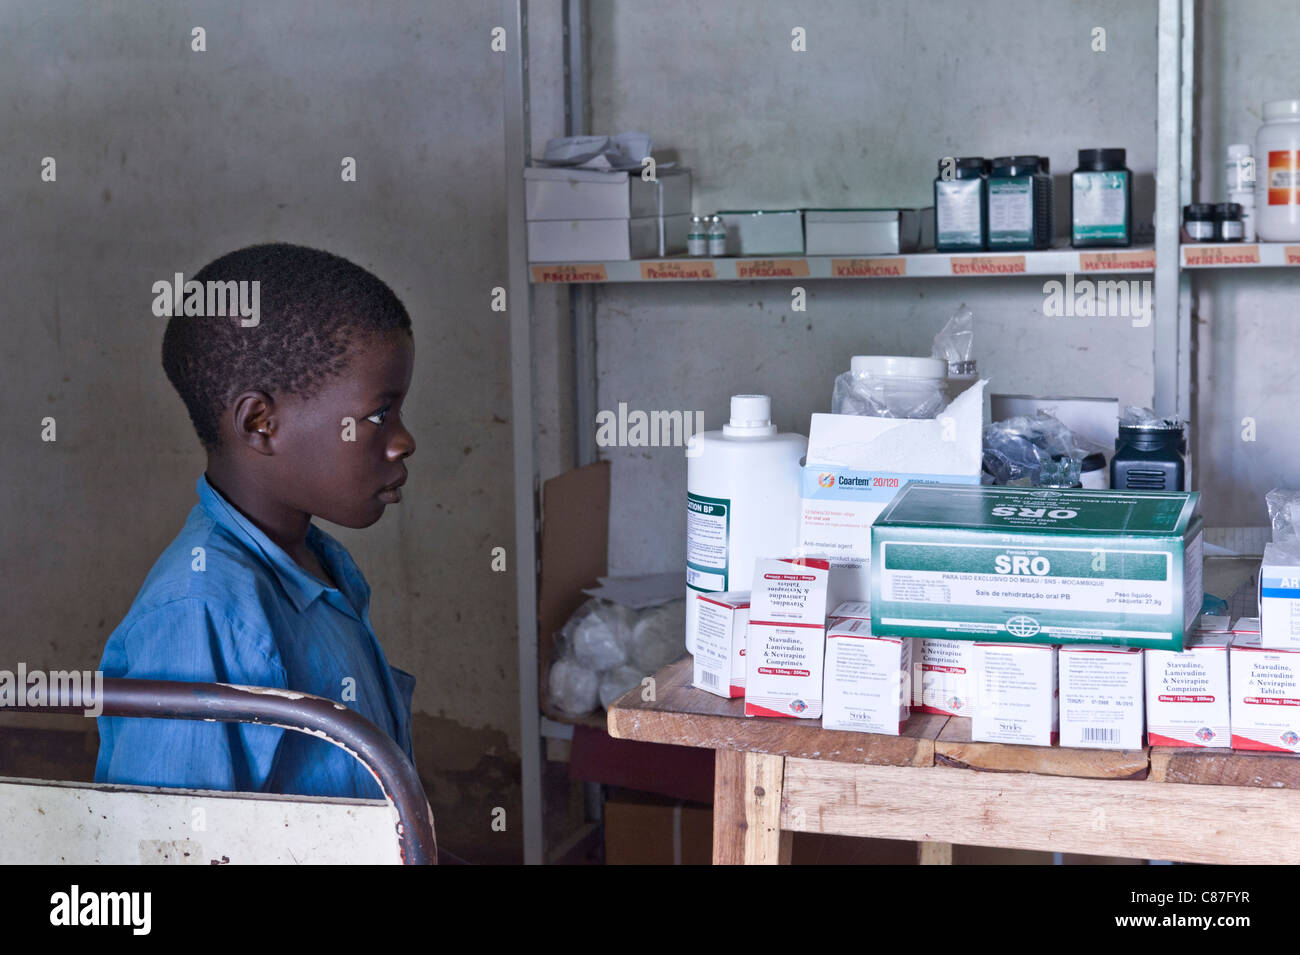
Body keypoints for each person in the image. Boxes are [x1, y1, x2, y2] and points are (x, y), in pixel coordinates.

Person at [96, 243, 417, 799]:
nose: (404, 441)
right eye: (379, 415)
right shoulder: (200, 611)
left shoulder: (317, 563)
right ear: (260, 423)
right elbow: (167, 849)